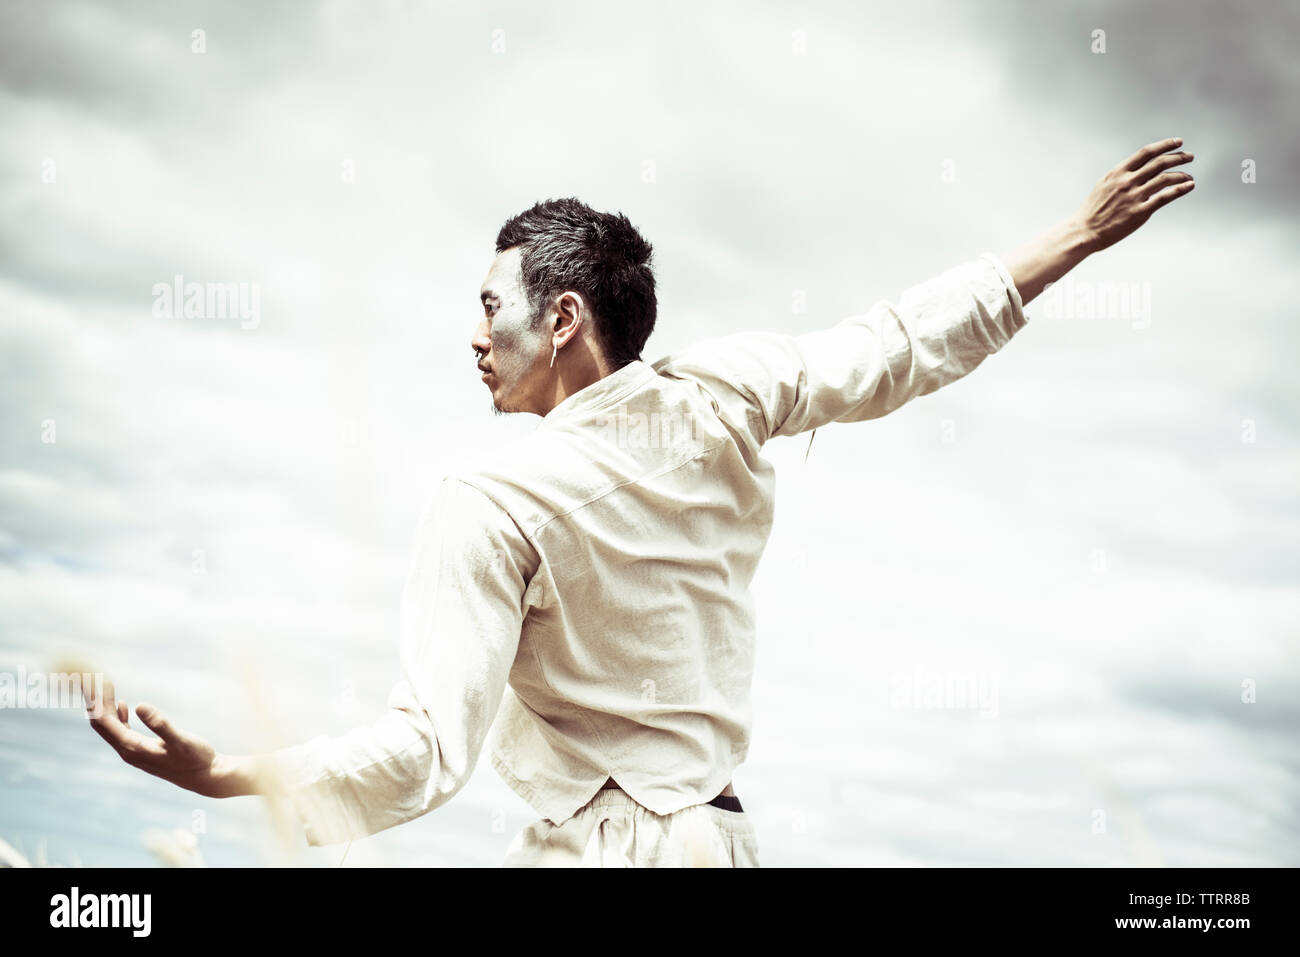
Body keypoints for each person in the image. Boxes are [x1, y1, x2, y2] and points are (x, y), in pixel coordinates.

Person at [84, 138, 1195, 866]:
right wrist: (1074, 238)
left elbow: (428, 752)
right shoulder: (728, 394)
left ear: (563, 319)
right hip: (725, 846)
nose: (472, 336)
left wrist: (233, 776)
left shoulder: (488, 498)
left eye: (488, 307)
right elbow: (896, 346)